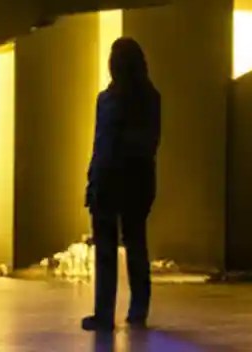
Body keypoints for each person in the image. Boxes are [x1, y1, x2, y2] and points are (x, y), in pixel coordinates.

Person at [82, 37, 161, 332]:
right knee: (136, 244)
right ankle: (138, 309)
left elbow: (101, 145)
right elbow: (148, 144)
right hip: (136, 182)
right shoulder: (151, 99)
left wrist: (94, 181)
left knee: (106, 250)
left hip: (111, 180)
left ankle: (105, 314)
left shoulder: (108, 99)